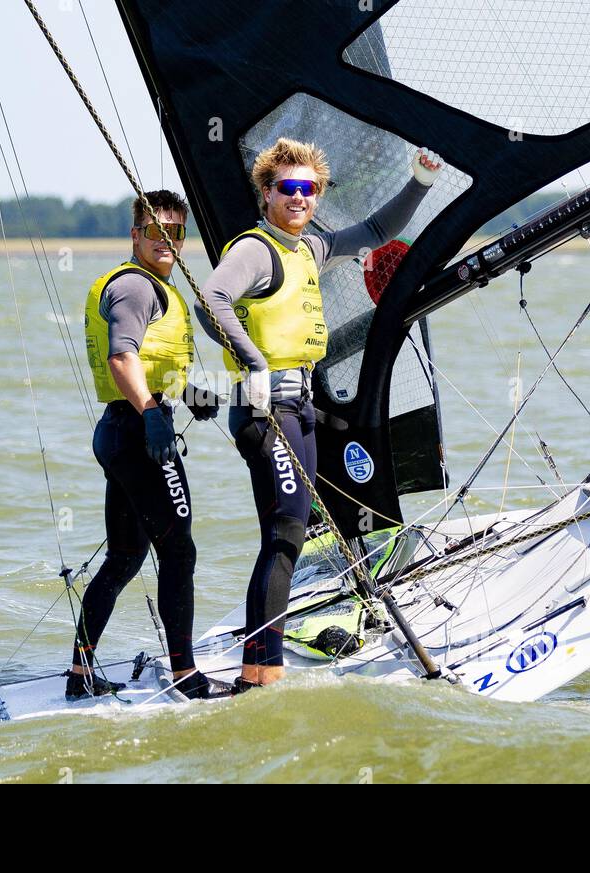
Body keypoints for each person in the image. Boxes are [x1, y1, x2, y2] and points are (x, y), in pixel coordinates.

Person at [197, 137, 443, 691]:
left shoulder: (308, 249)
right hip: (266, 408)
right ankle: (261, 673)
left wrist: (421, 181)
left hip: (301, 406)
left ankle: (260, 667)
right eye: (288, 188)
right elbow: (211, 298)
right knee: (286, 531)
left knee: (290, 531)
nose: (300, 198)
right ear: (267, 193)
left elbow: (378, 232)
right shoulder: (256, 250)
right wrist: (254, 364)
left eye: (310, 189)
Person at [70, 189, 230, 701]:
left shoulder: (149, 284)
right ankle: (186, 676)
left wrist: (186, 393)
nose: (167, 241)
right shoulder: (137, 288)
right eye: (156, 231)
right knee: (178, 552)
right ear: (136, 235)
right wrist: (154, 416)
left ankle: (80, 674)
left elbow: (148, 363)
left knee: (123, 557)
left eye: (176, 232)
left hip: (121, 431)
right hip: (139, 436)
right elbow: (122, 359)